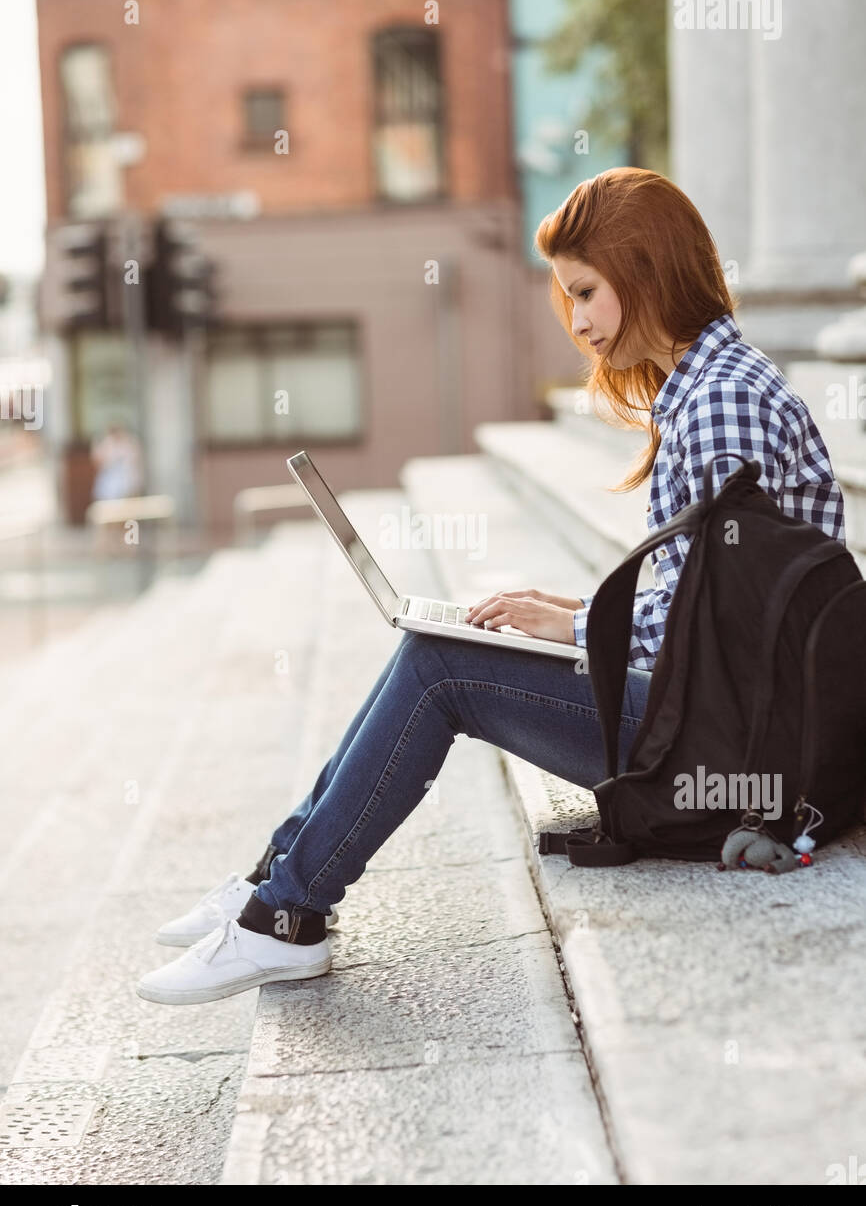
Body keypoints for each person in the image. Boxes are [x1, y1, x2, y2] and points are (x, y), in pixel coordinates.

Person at [136, 167, 845, 1006]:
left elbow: (723, 636)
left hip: (729, 756)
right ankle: (274, 882)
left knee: (443, 665)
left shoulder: (722, 400)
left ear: (647, 271)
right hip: (727, 725)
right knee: (435, 642)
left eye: (586, 291)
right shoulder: (704, 388)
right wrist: (573, 613)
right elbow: (714, 602)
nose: (577, 323)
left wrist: (578, 632)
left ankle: (285, 917)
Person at [90, 423, 143, 502]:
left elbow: (135, 460)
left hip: (127, 480)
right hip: (110, 481)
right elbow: (98, 460)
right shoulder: (106, 443)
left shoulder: (129, 442)